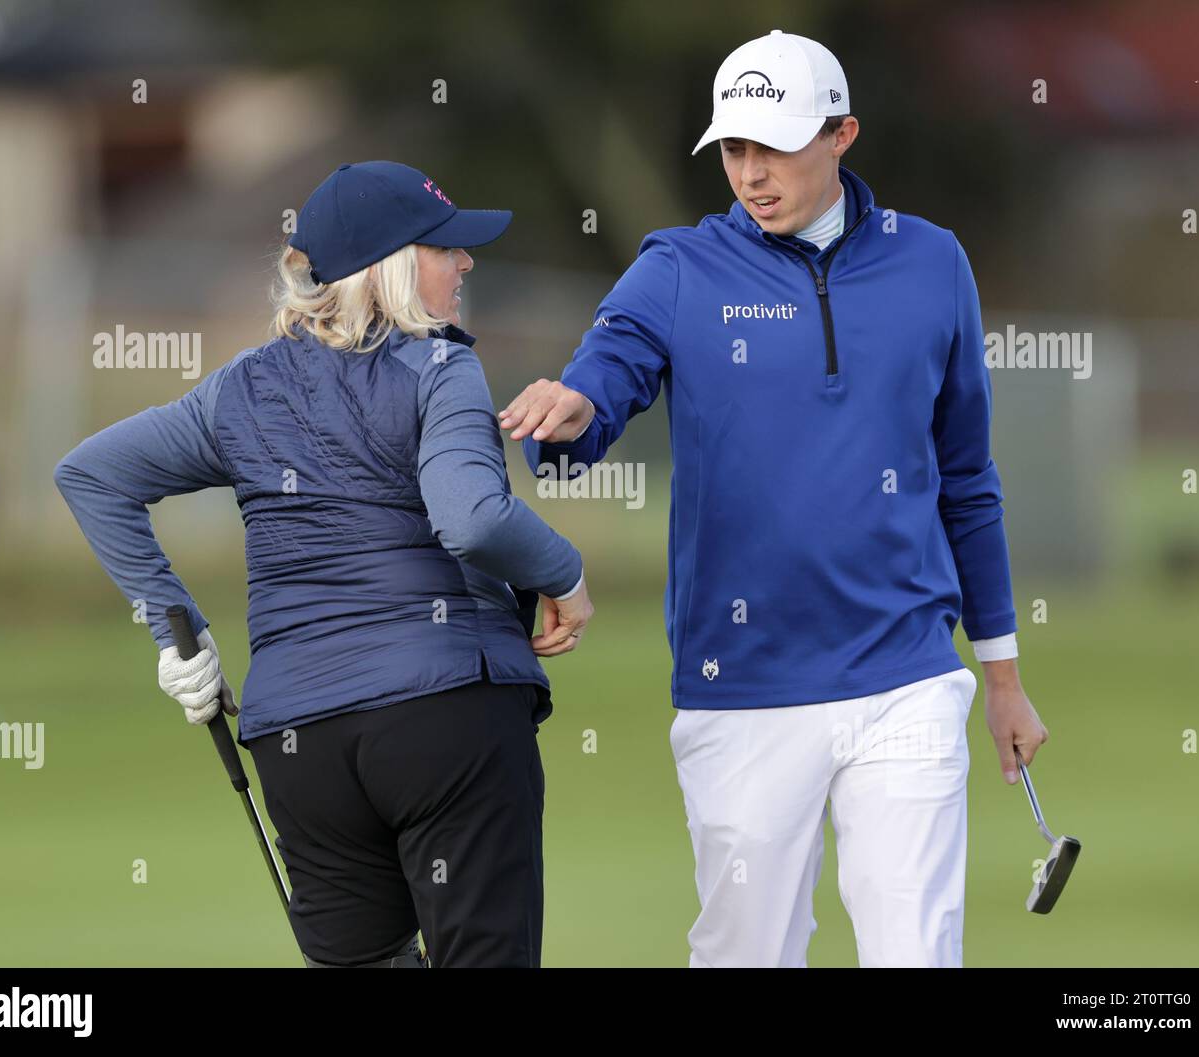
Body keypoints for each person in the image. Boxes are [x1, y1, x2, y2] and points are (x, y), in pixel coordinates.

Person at [500, 31, 1048, 968]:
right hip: (741, 685)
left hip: (907, 674)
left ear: (842, 135)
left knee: (916, 949)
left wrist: (1000, 675)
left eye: (775, 147)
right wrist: (575, 403)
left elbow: (968, 477)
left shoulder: (933, 263)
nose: (751, 174)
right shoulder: (677, 268)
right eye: (734, 150)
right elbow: (611, 367)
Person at [55, 161, 594, 968]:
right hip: (448, 714)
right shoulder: (441, 367)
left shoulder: (239, 388)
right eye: (446, 247)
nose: (467, 263)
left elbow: (92, 474)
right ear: (396, 266)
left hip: (299, 742)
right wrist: (565, 573)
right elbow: (473, 518)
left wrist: (181, 637)